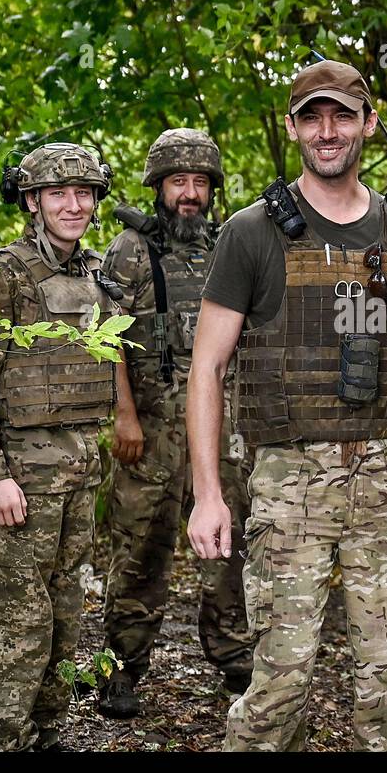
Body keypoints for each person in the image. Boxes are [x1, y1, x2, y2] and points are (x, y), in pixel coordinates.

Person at [186, 60, 387, 751]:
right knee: (281, 679)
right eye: (312, 116)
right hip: (289, 483)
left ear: (369, 124)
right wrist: (207, 494)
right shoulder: (253, 232)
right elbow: (207, 365)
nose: (328, 130)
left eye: (343, 115)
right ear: (292, 128)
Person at [0, 142, 135, 749]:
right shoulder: (3, 272)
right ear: (32, 200)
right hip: (20, 482)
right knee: (16, 626)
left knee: (64, 617)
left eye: (85, 193)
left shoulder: (97, 275)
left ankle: (48, 734)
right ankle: (6, 740)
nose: (74, 205)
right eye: (59, 194)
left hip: (80, 476)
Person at [97, 128, 253, 717]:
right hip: (153, 426)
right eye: (177, 182)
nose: (189, 194)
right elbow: (105, 339)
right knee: (140, 548)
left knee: (226, 546)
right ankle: (123, 666)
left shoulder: (229, 245)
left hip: (221, 427)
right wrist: (124, 414)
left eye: (199, 182)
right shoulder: (131, 252)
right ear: (158, 186)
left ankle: (234, 654)